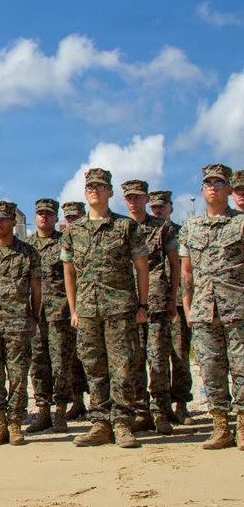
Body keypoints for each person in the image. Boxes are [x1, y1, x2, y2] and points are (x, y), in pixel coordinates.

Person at [61, 168, 149, 449]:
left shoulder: (126, 227)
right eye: (89, 187)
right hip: (87, 311)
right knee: (94, 367)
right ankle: (100, 423)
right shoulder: (74, 231)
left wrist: (143, 304)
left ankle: (122, 423)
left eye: (100, 187)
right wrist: (74, 310)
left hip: (120, 309)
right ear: (85, 193)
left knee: (122, 367)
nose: (94, 191)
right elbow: (69, 272)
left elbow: (142, 268)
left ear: (110, 192)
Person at [179, 164, 244, 450]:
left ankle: (242, 424)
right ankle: (220, 426)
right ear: (202, 189)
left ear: (230, 189)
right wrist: (188, 308)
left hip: (238, 308)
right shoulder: (191, 228)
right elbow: (186, 273)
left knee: (242, 368)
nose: (213, 187)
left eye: (220, 182)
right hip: (205, 310)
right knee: (211, 369)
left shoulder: (241, 224)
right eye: (208, 182)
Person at [0, 201, 41, 446]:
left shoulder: (28, 252)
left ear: (14, 222)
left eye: (3, 219)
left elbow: (36, 287)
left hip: (18, 323)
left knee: (18, 376)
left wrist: (34, 317)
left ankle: (15, 423)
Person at [122, 180, 180, 435]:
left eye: (138, 196)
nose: (133, 201)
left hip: (157, 302)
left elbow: (175, 264)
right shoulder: (120, 227)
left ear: (146, 199)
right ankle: (141, 412)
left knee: (157, 359)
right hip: (128, 303)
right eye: (129, 197)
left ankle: (160, 411)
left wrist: (173, 297)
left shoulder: (161, 227)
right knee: (133, 360)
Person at [25, 198, 74, 434]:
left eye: (49, 214)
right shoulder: (26, 246)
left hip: (59, 312)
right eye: (40, 213)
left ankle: (61, 412)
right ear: (35, 218)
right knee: (38, 363)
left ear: (56, 218)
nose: (44, 217)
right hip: (34, 314)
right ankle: (43, 411)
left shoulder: (65, 243)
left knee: (61, 363)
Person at [149, 189, 194, 425]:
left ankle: (182, 405)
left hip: (176, 302)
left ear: (171, 208)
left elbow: (187, 269)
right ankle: (159, 406)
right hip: (154, 303)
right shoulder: (145, 232)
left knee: (179, 354)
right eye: (154, 207)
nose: (157, 210)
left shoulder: (181, 232)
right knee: (156, 356)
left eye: (162, 207)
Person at [60, 200, 90, 419]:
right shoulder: (62, 241)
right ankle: (77, 401)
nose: (71, 221)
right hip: (65, 310)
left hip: (93, 305)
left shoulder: (91, 237)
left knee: (93, 358)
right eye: (68, 217)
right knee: (71, 359)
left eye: (75, 216)